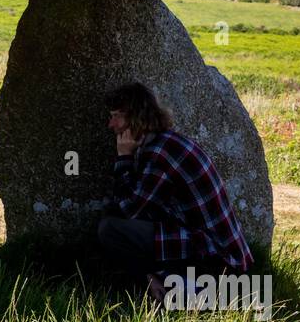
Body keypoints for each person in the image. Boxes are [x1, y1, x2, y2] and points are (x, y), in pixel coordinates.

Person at [97, 81, 253, 305]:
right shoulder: (165, 141)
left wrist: (123, 158)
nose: (110, 124)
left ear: (135, 117)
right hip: (214, 249)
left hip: (218, 259)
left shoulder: (160, 152)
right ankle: (165, 281)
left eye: (116, 116)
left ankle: (181, 289)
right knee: (118, 221)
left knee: (110, 229)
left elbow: (130, 209)